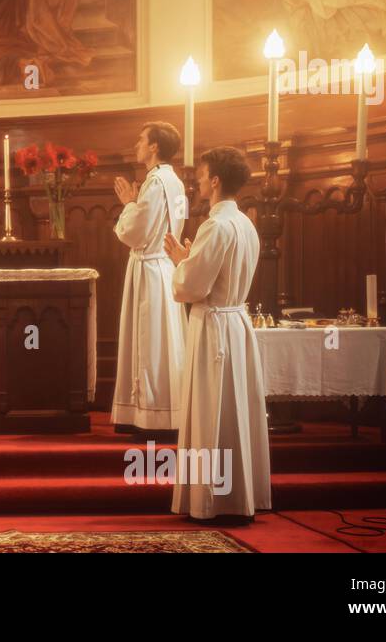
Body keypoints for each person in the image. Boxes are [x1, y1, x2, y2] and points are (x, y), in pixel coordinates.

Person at [164, 146, 270, 524]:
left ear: (215, 181)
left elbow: (191, 288)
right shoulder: (244, 223)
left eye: (201, 176)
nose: (195, 183)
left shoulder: (216, 225)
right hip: (235, 322)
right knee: (234, 408)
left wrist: (181, 264)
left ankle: (211, 501)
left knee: (213, 408)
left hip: (213, 329)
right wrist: (192, 262)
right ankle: (239, 494)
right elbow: (215, 275)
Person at [111, 122, 187, 434]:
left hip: (150, 266)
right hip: (164, 265)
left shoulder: (155, 183)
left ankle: (152, 416)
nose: (136, 145)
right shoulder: (175, 182)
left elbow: (135, 231)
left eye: (141, 140)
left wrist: (129, 203)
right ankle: (164, 411)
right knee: (162, 340)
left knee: (150, 340)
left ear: (155, 146)